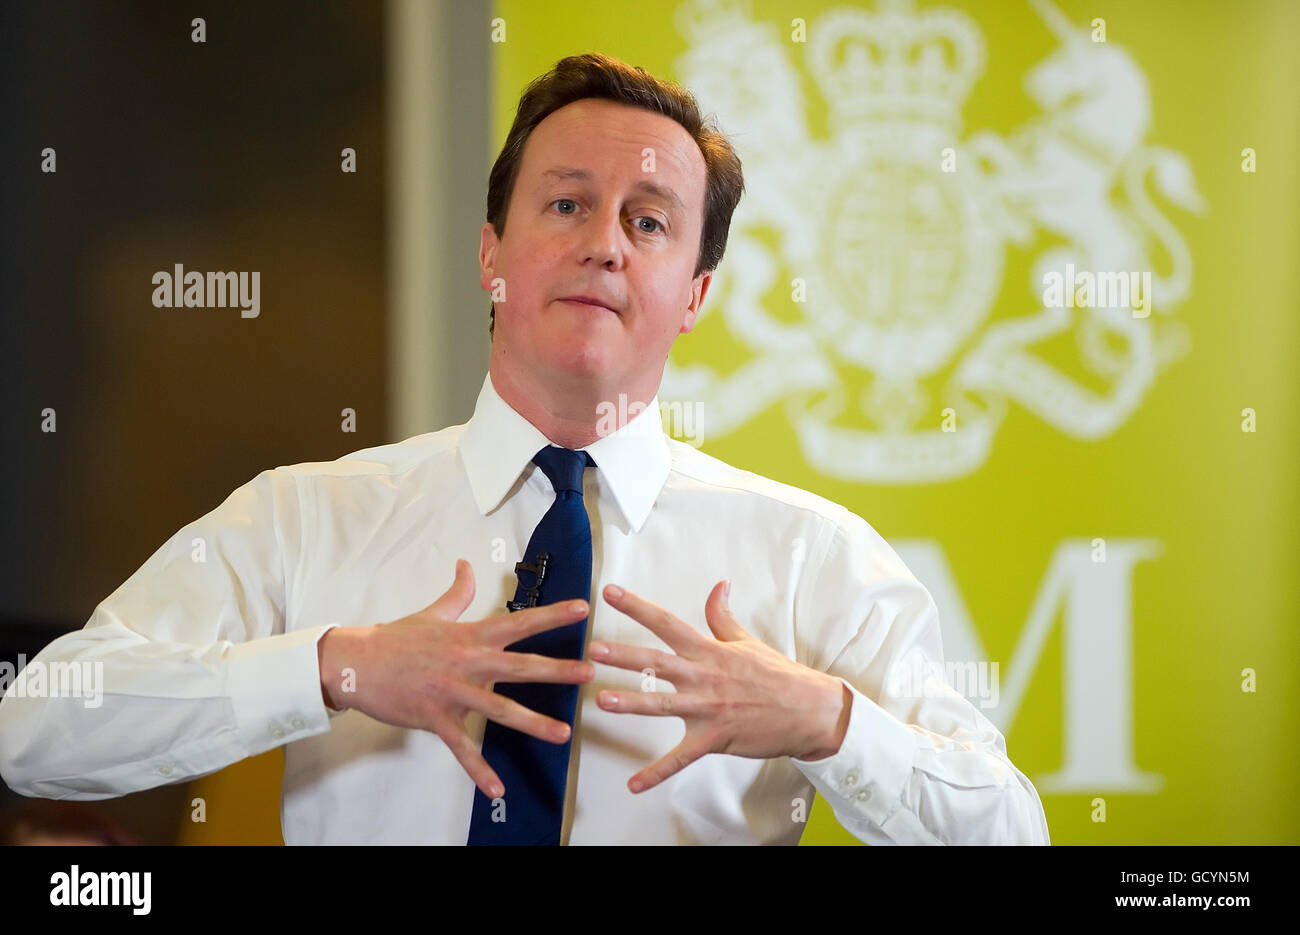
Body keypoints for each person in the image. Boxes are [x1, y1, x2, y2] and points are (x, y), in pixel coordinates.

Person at [0, 52, 1050, 845]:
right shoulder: (304, 514)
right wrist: (333, 667)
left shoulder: (808, 555)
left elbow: (1011, 828)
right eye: (566, 203)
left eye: (648, 222)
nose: (602, 241)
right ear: (491, 249)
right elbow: (37, 727)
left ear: (694, 294)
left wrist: (826, 719)